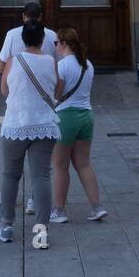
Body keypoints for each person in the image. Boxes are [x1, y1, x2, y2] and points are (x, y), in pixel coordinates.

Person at [0, 20, 63, 246]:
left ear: (22, 39)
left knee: (10, 176)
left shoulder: (13, 61)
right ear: (43, 40)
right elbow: (58, 90)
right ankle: (41, 232)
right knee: (41, 177)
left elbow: (4, 90)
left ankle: (6, 226)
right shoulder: (50, 61)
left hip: (16, 123)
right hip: (44, 124)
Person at [50, 28, 107, 223]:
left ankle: (59, 210)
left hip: (66, 117)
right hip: (86, 115)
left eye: (56, 43)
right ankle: (97, 206)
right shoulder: (87, 64)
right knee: (83, 163)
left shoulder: (62, 65)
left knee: (60, 165)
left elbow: (57, 94)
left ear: (64, 43)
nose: (55, 46)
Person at [0, 0, 57, 72]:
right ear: (41, 16)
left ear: (23, 16)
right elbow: (58, 64)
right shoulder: (53, 35)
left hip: (18, 82)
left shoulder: (12, 34)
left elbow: (1, 67)